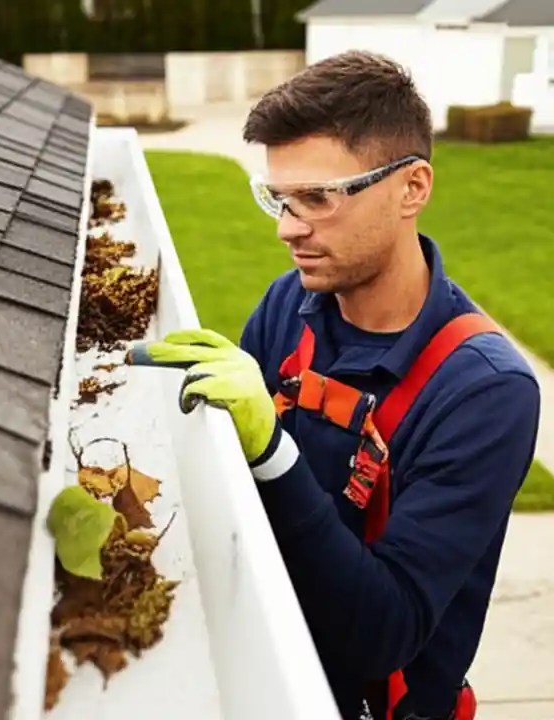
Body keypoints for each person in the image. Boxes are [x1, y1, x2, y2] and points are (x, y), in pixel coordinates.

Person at [131, 51, 540, 720]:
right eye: (278, 198)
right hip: (255, 671)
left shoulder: (485, 392)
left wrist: (270, 449)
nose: (287, 228)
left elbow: (382, 631)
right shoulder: (288, 306)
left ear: (412, 188)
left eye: (318, 198)